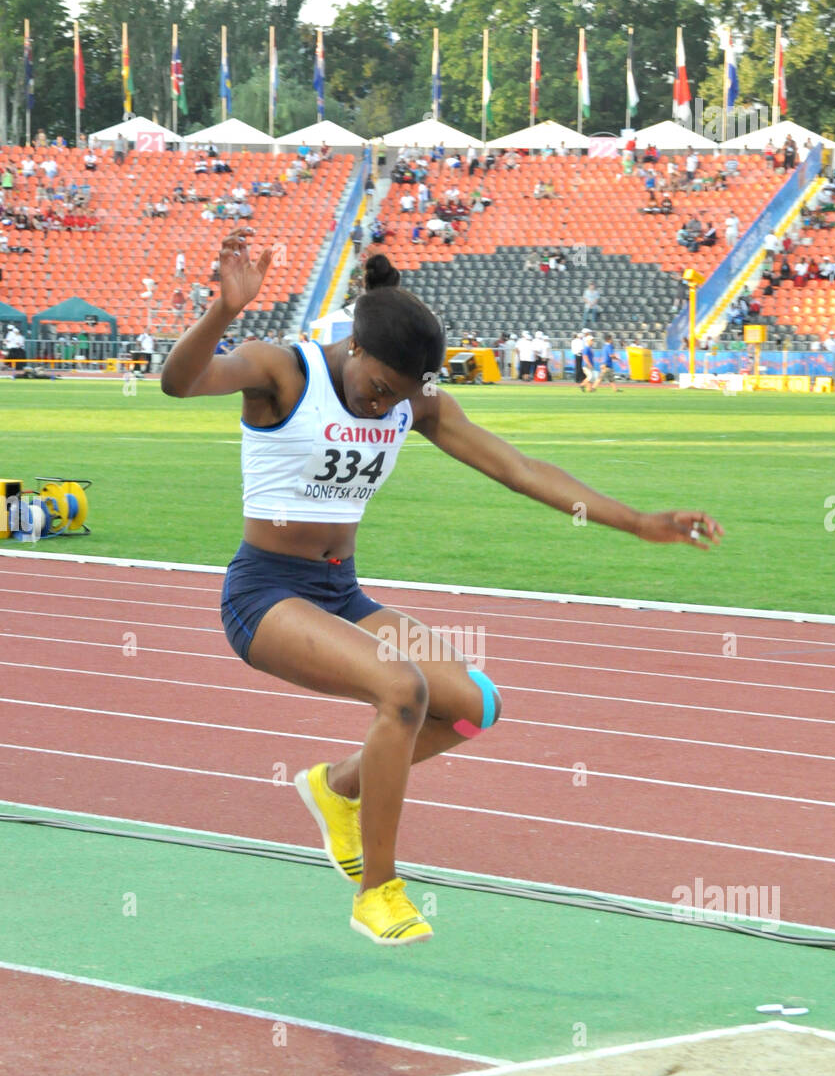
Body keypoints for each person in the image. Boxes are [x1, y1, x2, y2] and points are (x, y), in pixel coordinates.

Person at [160, 239, 723, 944]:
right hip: (265, 596)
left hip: (340, 593)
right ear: (353, 344)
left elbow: (517, 467)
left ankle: (337, 789)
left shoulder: (414, 402)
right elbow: (178, 382)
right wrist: (223, 309)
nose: (383, 403)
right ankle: (378, 892)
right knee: (402, 691)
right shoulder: (283, 370)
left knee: (471, 707)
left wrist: (638, 522)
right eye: (377, 386)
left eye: (401, 394)